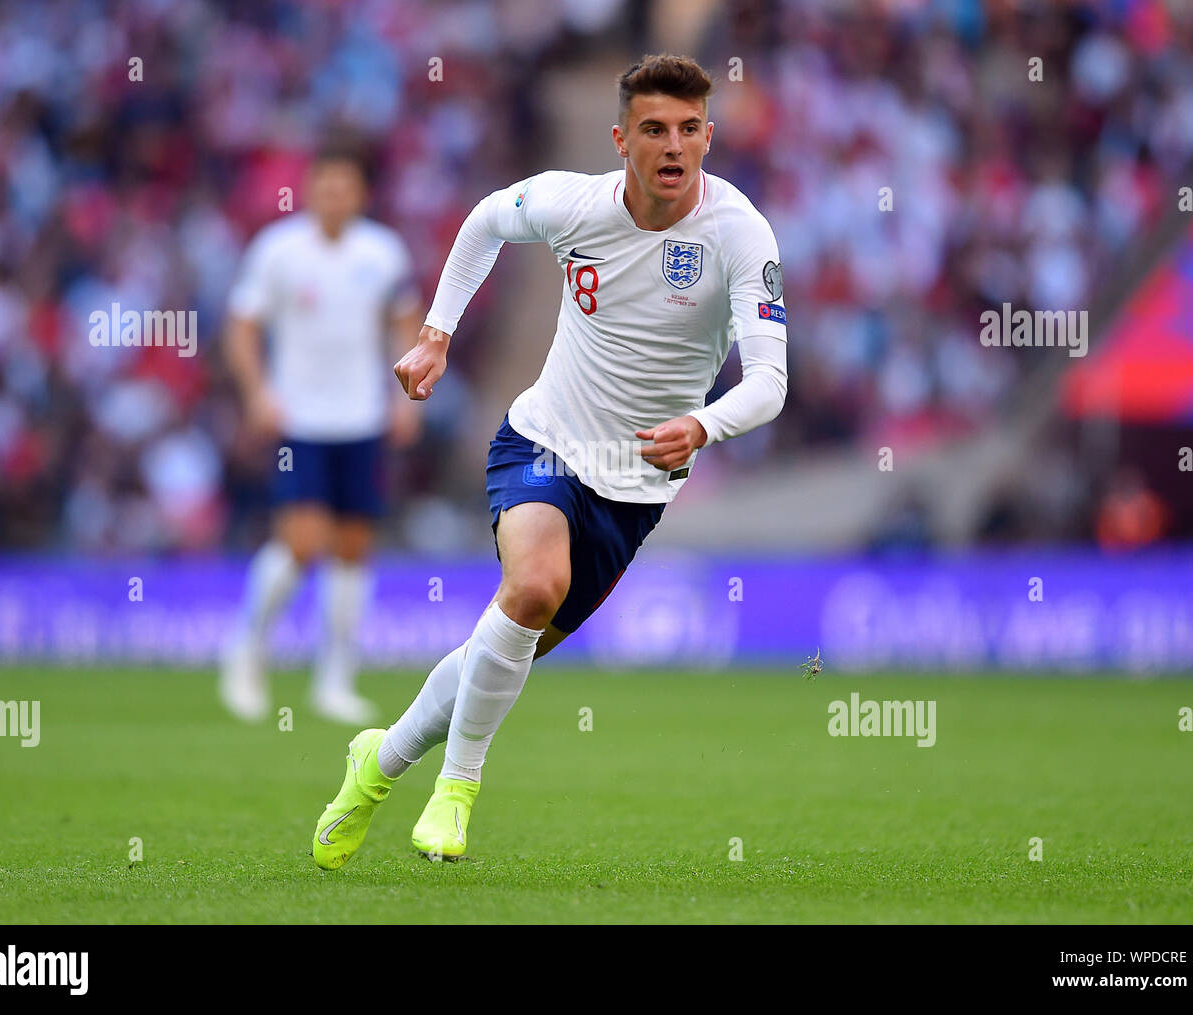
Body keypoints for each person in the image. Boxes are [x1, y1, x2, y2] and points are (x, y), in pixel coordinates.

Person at [311, 54, 789, 867]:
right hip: (543, 439)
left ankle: (377, 763)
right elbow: (488, 219)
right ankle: (457, 790)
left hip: (636, 489)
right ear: (620, 139)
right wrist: (436, 331)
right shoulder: (575, 203)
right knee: (532, 586)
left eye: (687, 130)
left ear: (708, 136)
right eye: (653, 130)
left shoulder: (740, 234)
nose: (673, 147)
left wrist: (705, 427)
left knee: (501, 647)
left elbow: (772, 381)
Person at [220, 144, 420, 725]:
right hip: (300, 421)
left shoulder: (382, 252)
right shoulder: (279, 251)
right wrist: (258, 392)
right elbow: (241, 327)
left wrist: (404, 398)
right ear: (310, 190)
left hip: (362, 420)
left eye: (345, 186)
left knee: (354, 547)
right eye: (325, 185)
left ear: (361, 194)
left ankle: (334, 680)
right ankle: (247, 650)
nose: (334, 196)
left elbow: (404, 318)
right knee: (303, 541)